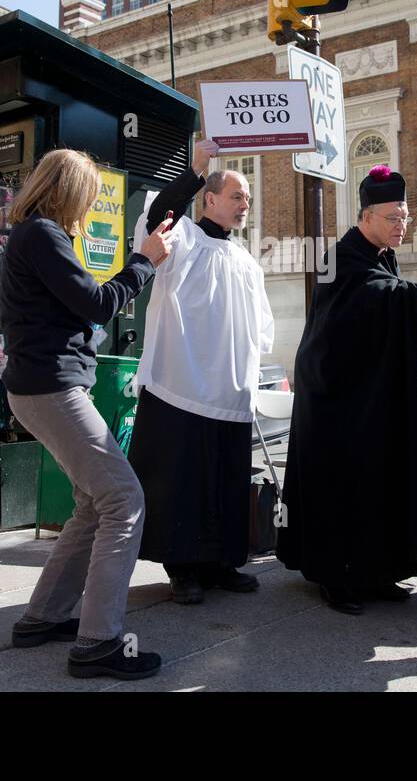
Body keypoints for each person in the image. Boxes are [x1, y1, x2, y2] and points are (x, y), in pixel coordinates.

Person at [0, 147, 175, 681]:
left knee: (93, 503)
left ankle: (43, 616)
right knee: (123, 498)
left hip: (40, 388)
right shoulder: (42, 235)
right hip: (51, 388)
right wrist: (145, 260)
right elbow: (98, 304)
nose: (93, 205)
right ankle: (99, 641)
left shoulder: (34, 236)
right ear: (71, 191)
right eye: (91, 195)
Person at [277, 165, 417, 615]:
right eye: (392, 217)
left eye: (405, 217)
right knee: (342, 486)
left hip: (372, 399)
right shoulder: (342, 255)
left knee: (381, 481)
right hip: (336, 399)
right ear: (365, 216)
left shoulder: (383, 254)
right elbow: (376, 302)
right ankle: (337, 575)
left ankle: (377, 570)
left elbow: (389, 307)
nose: (401, 225)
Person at [126, 140, 275, 605]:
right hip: (179, 385)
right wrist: (195, 168)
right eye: (237, 196)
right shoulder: (182, 239)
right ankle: (183, 568)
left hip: (229, 394)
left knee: (225, 482)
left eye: (247, 199)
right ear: (209, 199)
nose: (244, 205)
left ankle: (221, 562)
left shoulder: (249, 262)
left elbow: (262, 329)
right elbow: (158, 218)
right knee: (182, 482)